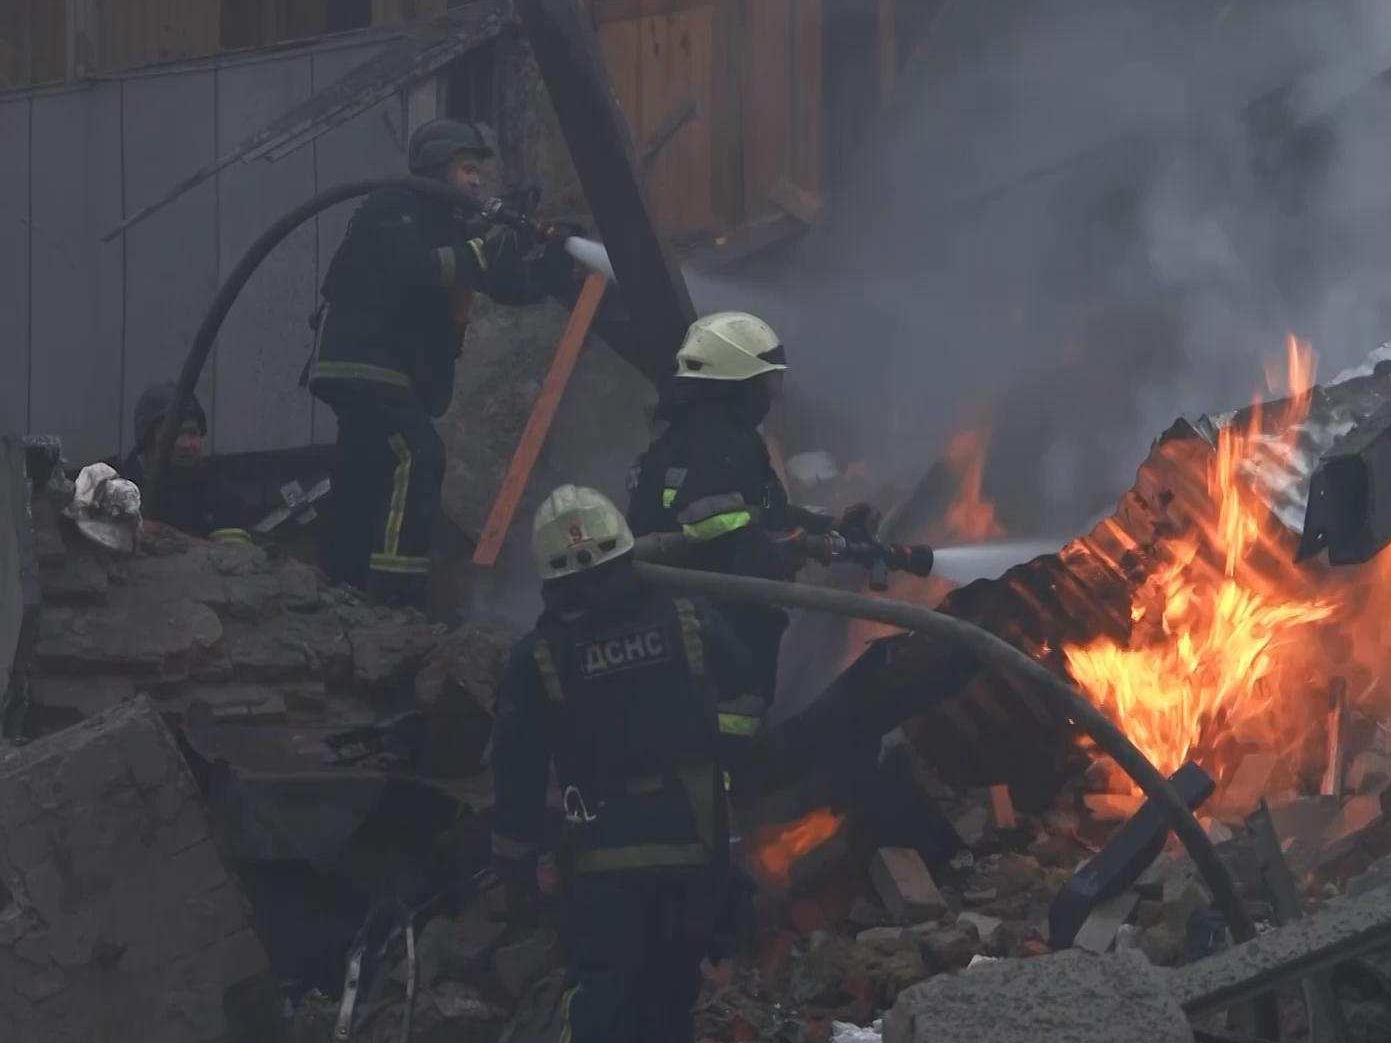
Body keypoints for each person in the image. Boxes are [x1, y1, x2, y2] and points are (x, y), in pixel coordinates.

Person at [491, 485, 766, 1043]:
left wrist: (514, 860)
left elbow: (517, 769)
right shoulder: (688, 617)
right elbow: (746, 689)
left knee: (602, 1001)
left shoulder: (538, 656)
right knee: (670, 1000)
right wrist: (721, 767)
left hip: (601, 859)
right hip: (692, 845)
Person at [307, 117, 575, 606]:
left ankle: (341, 586)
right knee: (420, 453)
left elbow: (506, 284)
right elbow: (416, 271)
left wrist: (553, 263)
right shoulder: (393, 206)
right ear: (435, 167)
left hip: (392, 372)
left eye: (478, 172)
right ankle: (397, 597)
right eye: (467, 169)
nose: (476, 181)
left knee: (364, 471)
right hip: (364, 360)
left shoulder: (450, 227)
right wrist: (489, 245)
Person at [627, 312, 861, 703]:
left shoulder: (695, 437)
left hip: (702, 614)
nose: (771, 396)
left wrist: (827, 527)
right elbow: (716, 530)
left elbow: (761, 511)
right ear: (736, 387)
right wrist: (779, 553)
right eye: (765, 383)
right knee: (738, 710)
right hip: (716, 618)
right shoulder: (718, 443)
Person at [115, 383, 247, 541]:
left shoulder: (220, 498)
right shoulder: (114, 491)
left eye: (193, 433)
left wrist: (169, 536)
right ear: (147, 439)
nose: (186, 444)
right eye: (175, 434)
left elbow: (231, 552)